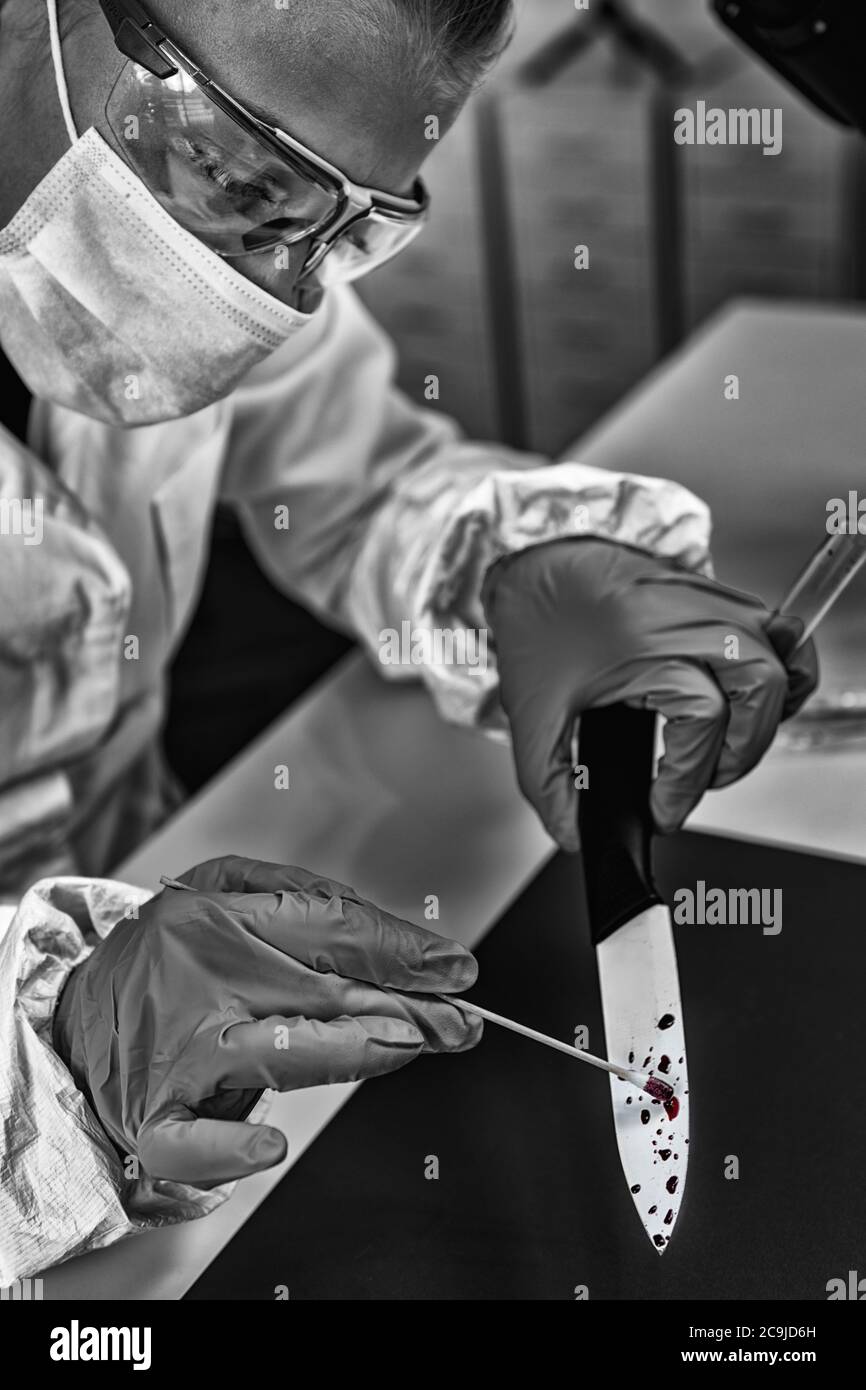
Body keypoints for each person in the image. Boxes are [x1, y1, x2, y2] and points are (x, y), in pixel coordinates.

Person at [0, 0, 816, 1284]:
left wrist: (517, 569)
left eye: (343, 230)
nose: (277, 286)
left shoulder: (215, 247)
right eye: (242, 178)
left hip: (164, 965)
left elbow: (354, 480)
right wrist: (44, 1061)